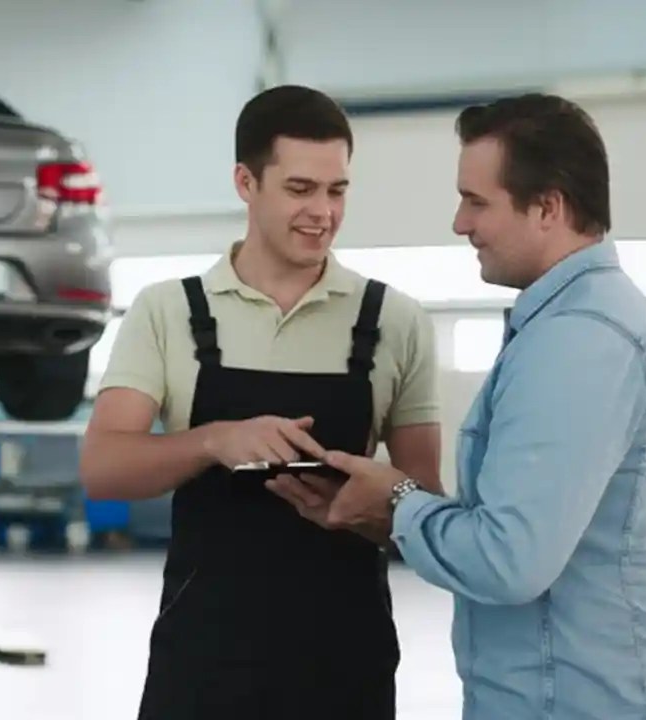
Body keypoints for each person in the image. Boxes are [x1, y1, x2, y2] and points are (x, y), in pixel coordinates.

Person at [276, 93, 646, 719]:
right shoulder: (568, 325)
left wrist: (395, 502)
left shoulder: (579, 339)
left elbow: (509, 560)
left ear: (548, 207)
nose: (459, 223)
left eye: (476, 202)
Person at [79, 84, 444, 720]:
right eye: (300, 190)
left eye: (337, 191)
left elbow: (428, 501)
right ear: (246, 182)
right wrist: (213, 440)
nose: (322, 213)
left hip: (346, 662)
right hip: (202, 663)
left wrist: (371, 506)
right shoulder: (168, 311)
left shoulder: (395, 320)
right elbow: (103, 468)